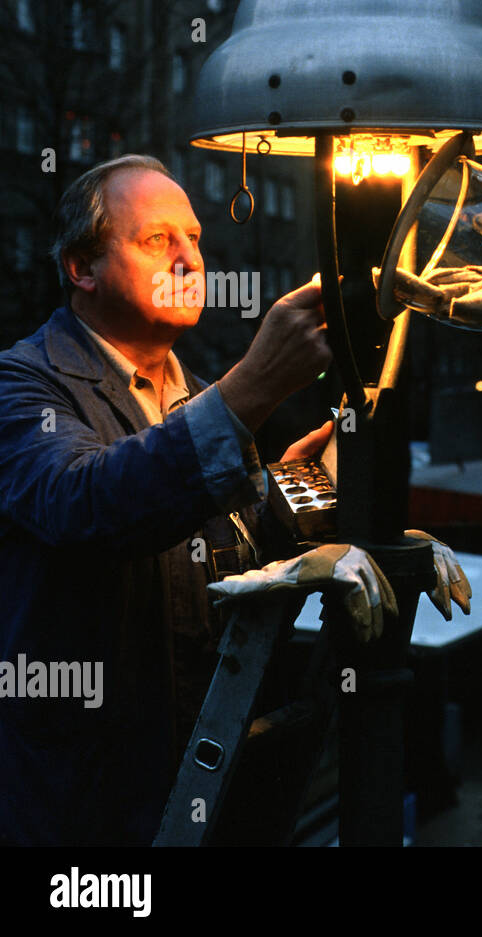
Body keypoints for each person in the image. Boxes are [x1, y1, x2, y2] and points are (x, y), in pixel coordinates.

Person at [0, 154, 336, 845]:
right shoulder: (22, 384)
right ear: (81, 269)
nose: (190, 259)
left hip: (200, 788)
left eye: (195, 238)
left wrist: (303, 493)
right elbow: (82, 503)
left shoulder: (194, 394)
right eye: (158, 240)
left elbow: (217, 568)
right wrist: (250, 391)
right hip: (84, 812)